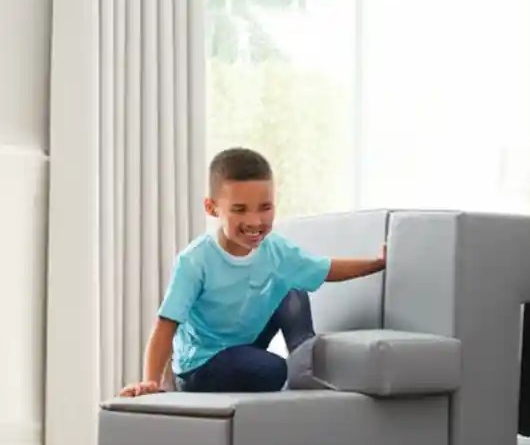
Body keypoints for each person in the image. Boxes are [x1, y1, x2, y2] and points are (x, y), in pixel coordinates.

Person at [117, 147, 385, 397]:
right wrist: (151, 382)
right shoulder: (195, 261)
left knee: (292, 287)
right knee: (273, 369)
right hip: (203, 363)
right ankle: (284, 371)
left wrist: (376, 263)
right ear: (212, 208)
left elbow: (325, 268)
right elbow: (166, 325)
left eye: (265, 208)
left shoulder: (275, 250)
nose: (255, 221)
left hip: (247, 343)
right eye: (239, 210)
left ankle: (303, 366)